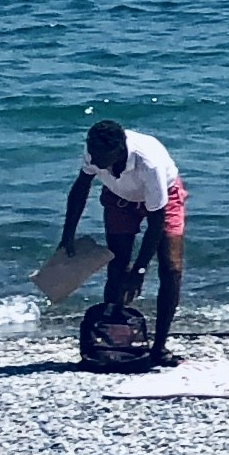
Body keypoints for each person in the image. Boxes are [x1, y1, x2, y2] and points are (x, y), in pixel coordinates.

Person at [63, 120, 186, 366]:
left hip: (164, 199)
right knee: (118, 267)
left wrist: (141, 269)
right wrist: (67, 236)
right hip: (119, 199)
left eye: (100, 156)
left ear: (119, 151)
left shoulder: (148, 163)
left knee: (171, 268)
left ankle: (159, 348)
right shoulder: (94, 151)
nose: (93, 159)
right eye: (91, 152)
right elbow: (81, 188)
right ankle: (111, 345)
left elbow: (156, 222)